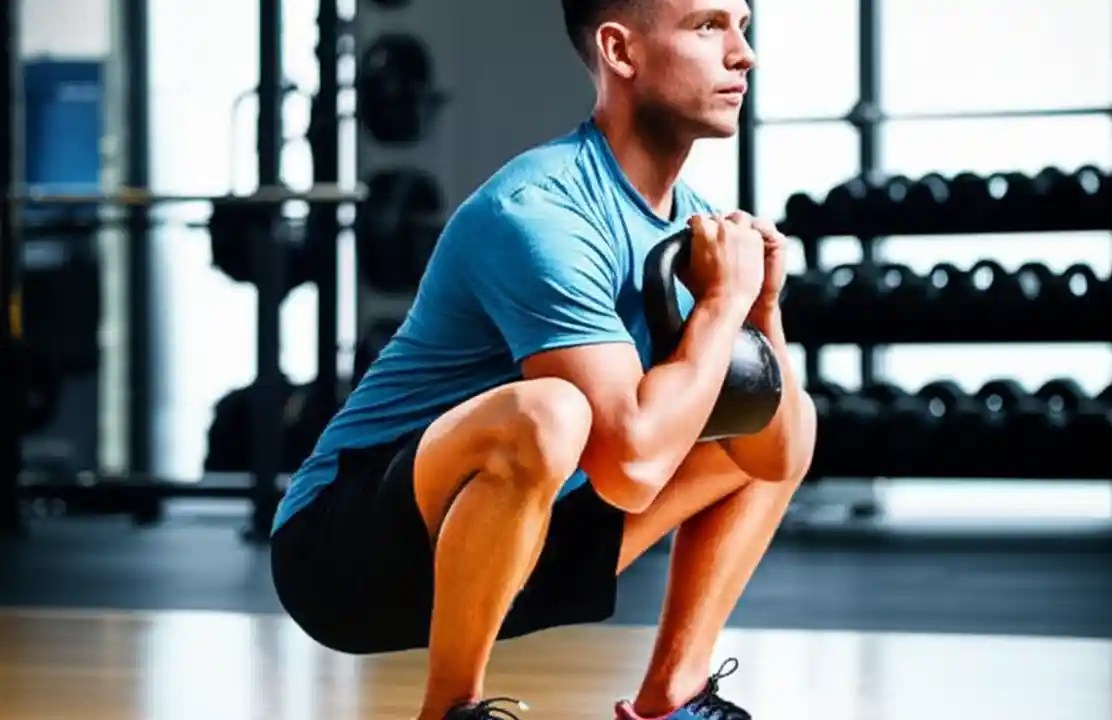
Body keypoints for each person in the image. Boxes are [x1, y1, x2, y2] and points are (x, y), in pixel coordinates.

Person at [268, 0, 816, 717]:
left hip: (521, 552)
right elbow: (628, 467)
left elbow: (779, 455)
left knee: (765, 408)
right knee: (553, 411)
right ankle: (451, 711)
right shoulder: (540, 212)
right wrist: (717, 309)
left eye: (742, 28)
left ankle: (673, 700)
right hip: (347, 558)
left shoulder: (693, 227)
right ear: (620, 52)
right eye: (709, 26)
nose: (742, 55)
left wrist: (757, 311)